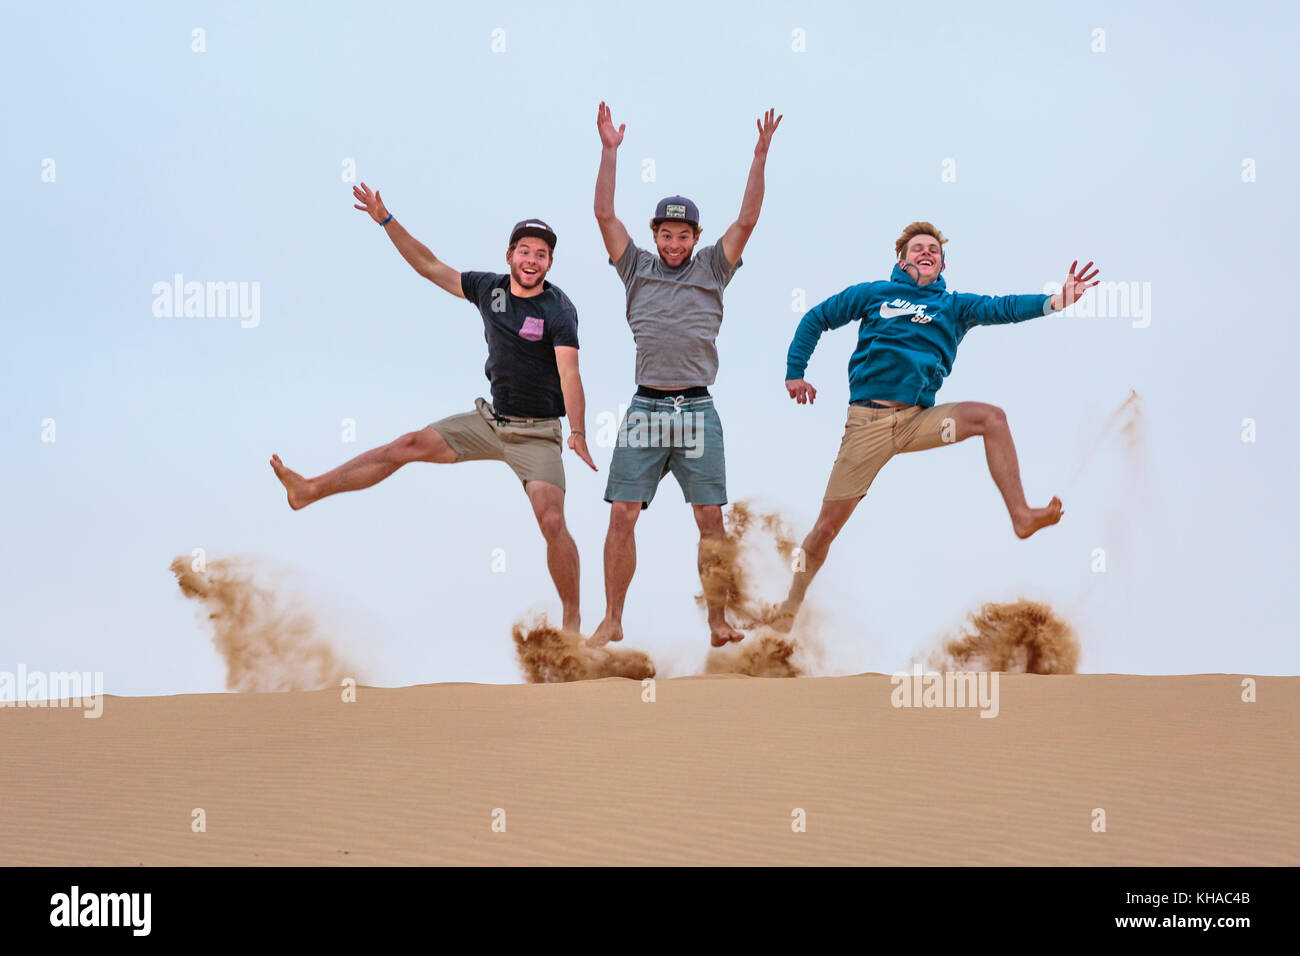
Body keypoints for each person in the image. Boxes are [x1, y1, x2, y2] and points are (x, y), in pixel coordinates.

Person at [270, 183, 596, 632]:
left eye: (540, 254)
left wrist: (576, 431)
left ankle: (573, 626)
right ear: (509, 256)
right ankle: (308, 490)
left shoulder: (559, 309)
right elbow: (428, 265)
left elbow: (570, 374)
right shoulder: (489, 289)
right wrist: (386, 220)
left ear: (549, 263)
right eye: (524, 251)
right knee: (406, 444)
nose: (531, 260)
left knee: (553, 520)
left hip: (538, 433)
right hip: (489, 422)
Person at [773, 221, 1099, 632]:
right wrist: (795, 371)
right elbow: (817, 317)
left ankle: (1021, 515)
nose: (925, 253)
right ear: (901, 259)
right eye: (916, 248)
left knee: (991, 418)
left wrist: (1055, 300)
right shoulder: (875, 294)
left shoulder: (954, 306)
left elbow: (1004, 307)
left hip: (917, 421)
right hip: (867, 424)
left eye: (933, 249)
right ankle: (790, 605)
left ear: (943, 262)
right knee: (825, 528)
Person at [587, 102, 781, 649]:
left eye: (683, 236)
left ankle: (718, 623)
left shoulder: (713, 268)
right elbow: (604, 216)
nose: (674, 244)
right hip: (646, 408)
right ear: (655, 235)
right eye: (666, 235)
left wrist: (759, 155)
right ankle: (612, 618)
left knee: (710, 519)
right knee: (622, 512)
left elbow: (746, 220)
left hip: (696, 409)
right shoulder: (636, 268)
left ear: (695, 237)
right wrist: (609, 151)